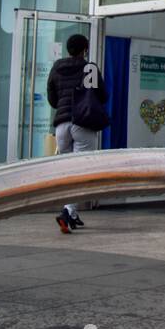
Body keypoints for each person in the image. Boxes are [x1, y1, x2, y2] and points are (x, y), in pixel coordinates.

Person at [46, 33, 108, 233]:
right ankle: (67, 212)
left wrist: (64, 104)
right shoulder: (89, 68)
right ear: (85, 49)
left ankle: (72, 215)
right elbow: (101, 95)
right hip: (82, 122)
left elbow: (52, 97)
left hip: (61, 125)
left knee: (67, 171)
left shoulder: (57, 67)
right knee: (79, 171)